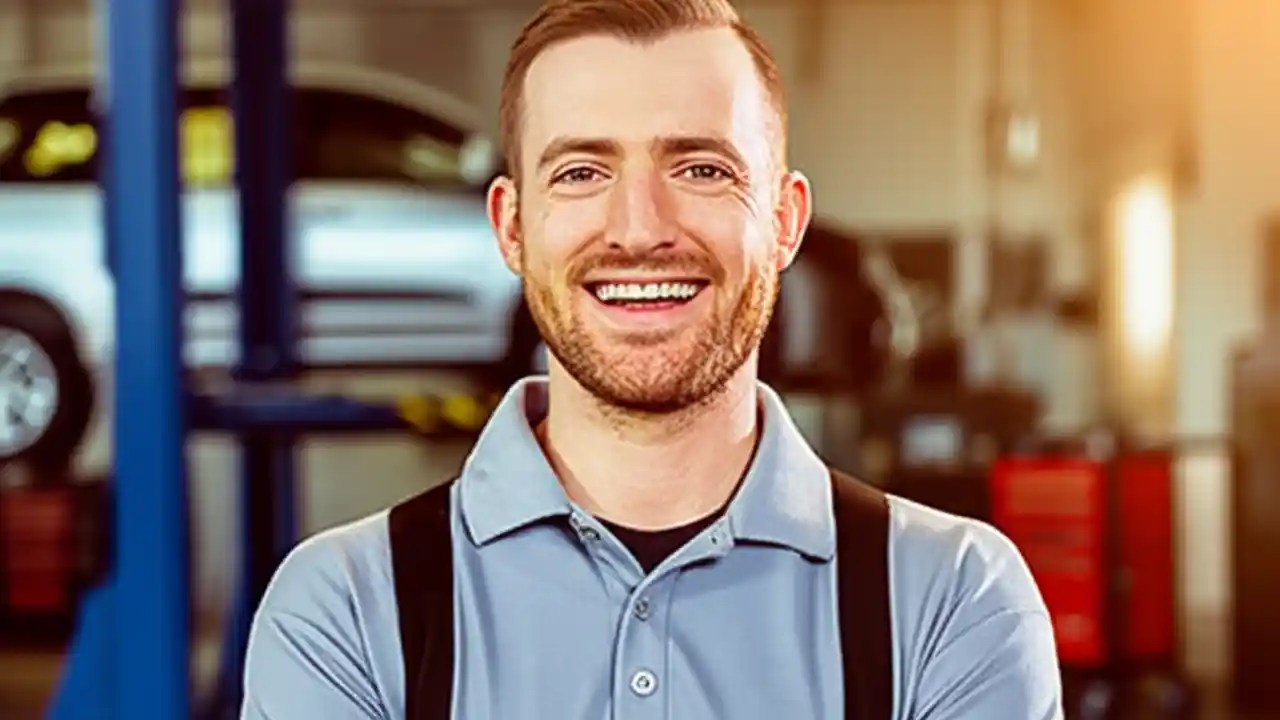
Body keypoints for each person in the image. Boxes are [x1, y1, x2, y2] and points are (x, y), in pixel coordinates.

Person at [240, 0, 1064, 718]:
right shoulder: (346, 611)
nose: (639, 228)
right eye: (582, 170)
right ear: (511, 227)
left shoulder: (950, 601)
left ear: (784, 220)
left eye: (700, 168)